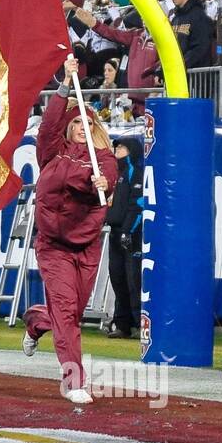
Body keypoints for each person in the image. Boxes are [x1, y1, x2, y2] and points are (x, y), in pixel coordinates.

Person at [22, 58, 116, 403]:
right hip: (53, 245)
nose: (80, 127)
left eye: (85, 123)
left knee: (70, 314)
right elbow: (48, 126)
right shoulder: (51, 151)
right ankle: (75, 381)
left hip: (86, 246)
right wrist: (64, 85)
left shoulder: (104, 158)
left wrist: (101, 183)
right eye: (75, 122)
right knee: (65, 311)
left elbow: (107, 183)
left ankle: (35, 321)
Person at [104, 135, 143, 339]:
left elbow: (138, 205)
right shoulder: (115, 174)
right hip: (116, 233)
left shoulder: (136, 172)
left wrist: (129, 230)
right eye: (116, 147)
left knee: (134, 280)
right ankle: (122, 323)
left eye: (121, 148)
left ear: (131, 150)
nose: (116, 150)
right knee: (118, 278)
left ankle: (139, 323)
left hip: (132, 235)